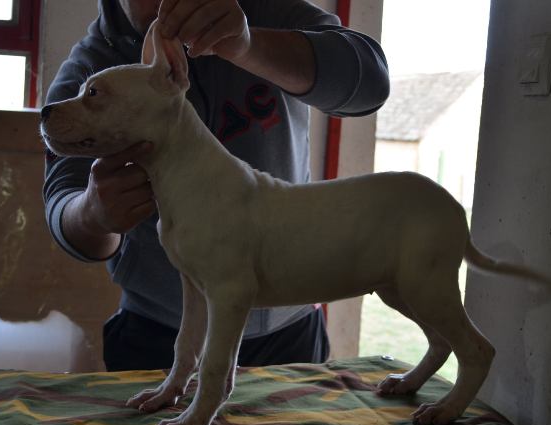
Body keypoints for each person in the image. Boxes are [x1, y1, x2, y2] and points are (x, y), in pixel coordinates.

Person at [43, 0, 390, 372]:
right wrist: (94, 214)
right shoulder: (89, 67)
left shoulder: (264, 12)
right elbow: (63, 206)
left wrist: (247, 45)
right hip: (158, 336)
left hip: (289, 334)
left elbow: (371, 82)